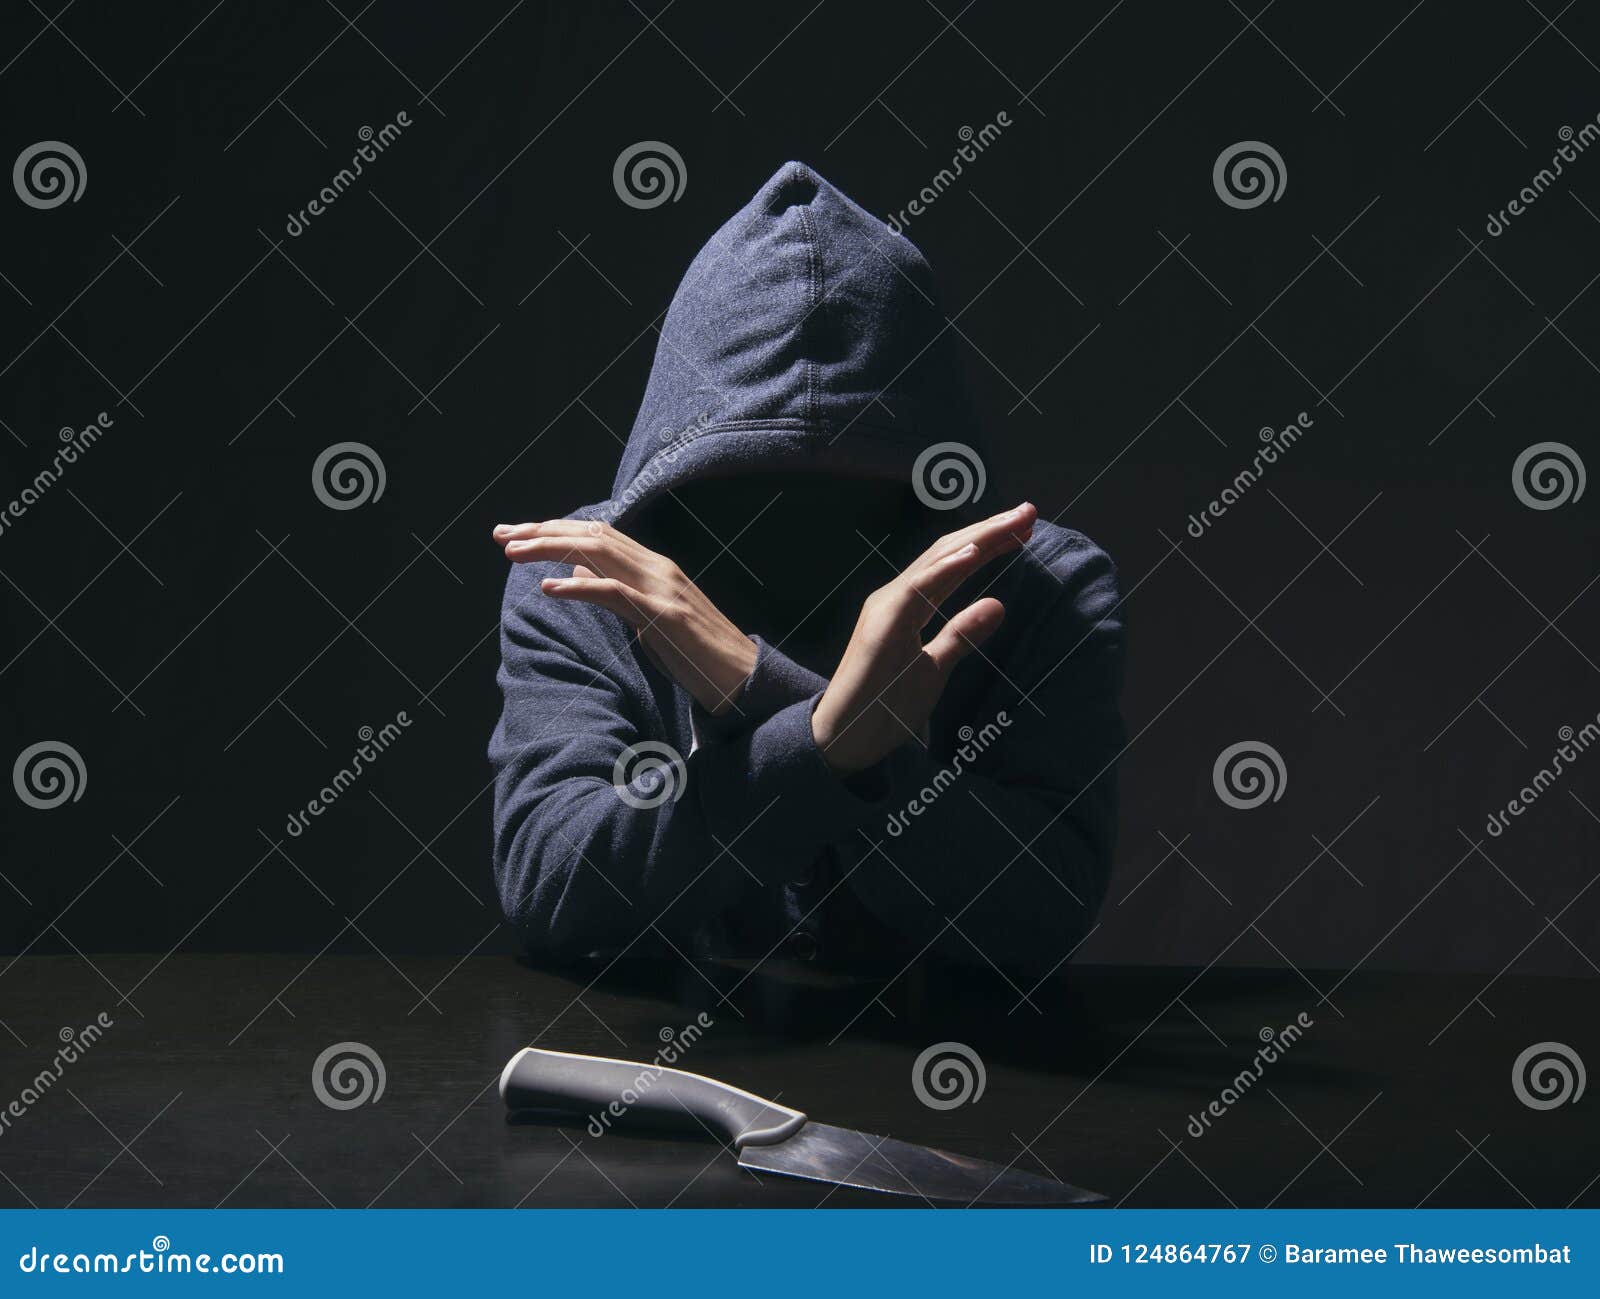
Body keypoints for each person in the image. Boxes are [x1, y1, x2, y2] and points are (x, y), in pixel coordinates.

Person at [488, 162, 1124, 980]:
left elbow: (1046, 909)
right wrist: (828, 738)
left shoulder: (1044, 589)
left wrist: (762, 693)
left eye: (850, 491)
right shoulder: (586, 580)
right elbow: (551, 886)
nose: (794, 527)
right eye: (748, 484)